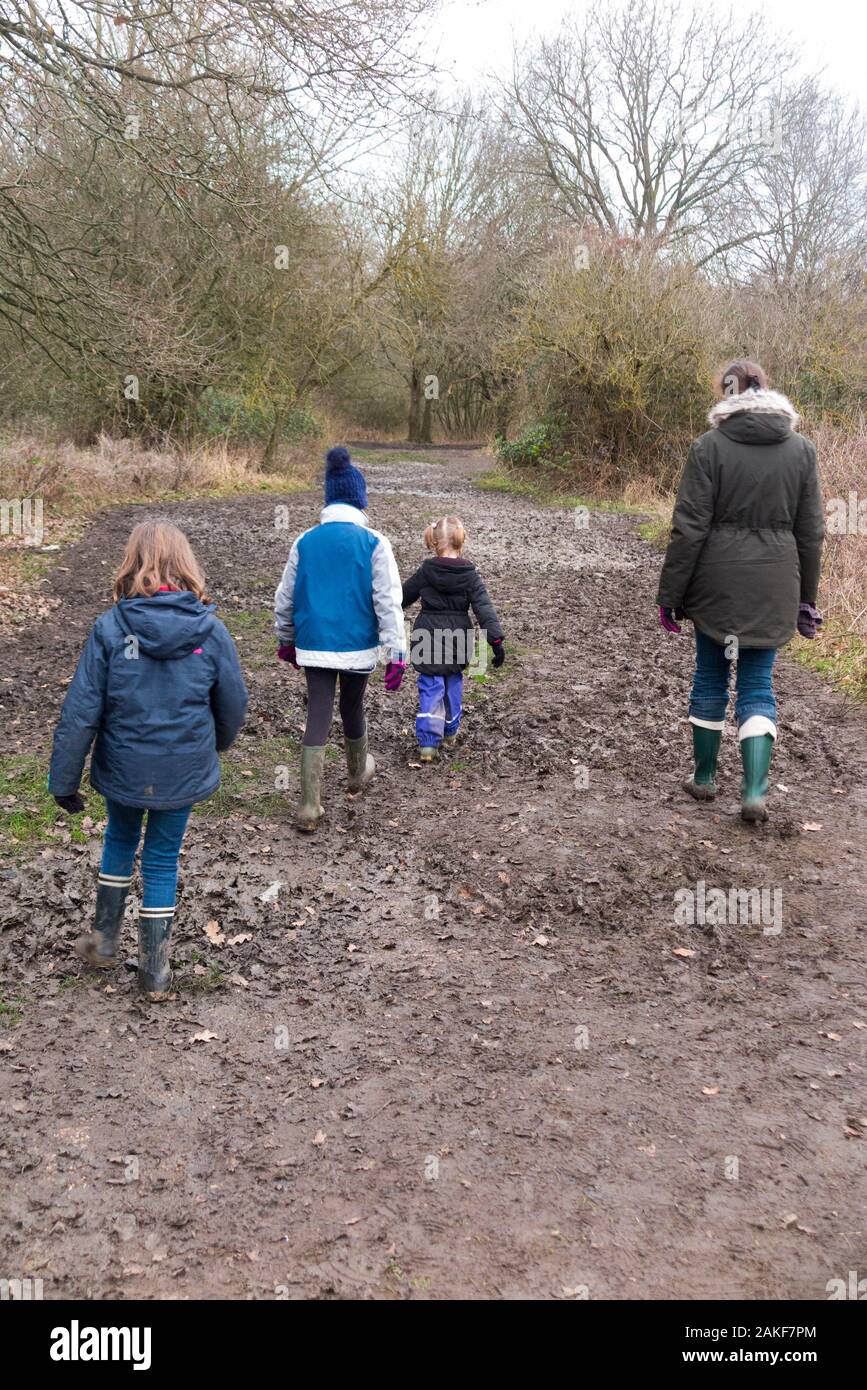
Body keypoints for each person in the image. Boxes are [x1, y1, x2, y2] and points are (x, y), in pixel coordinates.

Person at [48, 520, 248, 993]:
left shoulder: (111, 627)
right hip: (180, 768)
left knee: (119, 839)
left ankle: (103, 941)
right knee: (162, 858)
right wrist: (214, 744)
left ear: (131, 563)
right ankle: (154, 970)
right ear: (186, 565)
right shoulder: (210, 631)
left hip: (125, 764)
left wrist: (64, 779)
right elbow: (234, 702)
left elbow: (81, 709)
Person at [656, 360, 824, 822]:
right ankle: (753, 791)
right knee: (757, 685)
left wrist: (670, 595)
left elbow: (688, 529)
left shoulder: (708, 448)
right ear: (767, 390)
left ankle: (705, 778)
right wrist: (806, 598)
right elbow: (811, 533)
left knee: (710, 677)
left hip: (716, 583)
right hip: (775, 586)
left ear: (727, 395)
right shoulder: (802, 451)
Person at [274, 446, 406, 830]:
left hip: (313, 642)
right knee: (352, 703)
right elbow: (387, 600)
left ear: (328, 499)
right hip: (356, 644)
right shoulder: (375, 543)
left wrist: (286, 637)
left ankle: (309, 804)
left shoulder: (304, 541)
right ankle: (356, 773)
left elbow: (286, 596)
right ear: (360, 500)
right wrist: (396, 651)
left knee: (317, 712)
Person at [401, 514, 504, 762]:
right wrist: (496, 640)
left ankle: (427, 743)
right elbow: (484, 607)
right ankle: (450, 730)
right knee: (452, 683)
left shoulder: (426, 572)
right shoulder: (470, 575)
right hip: (459, 636)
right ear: (461, 542)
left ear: (435, 542)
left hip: (427, 634)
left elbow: (402, 597)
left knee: (430, 684)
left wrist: (379, 615)